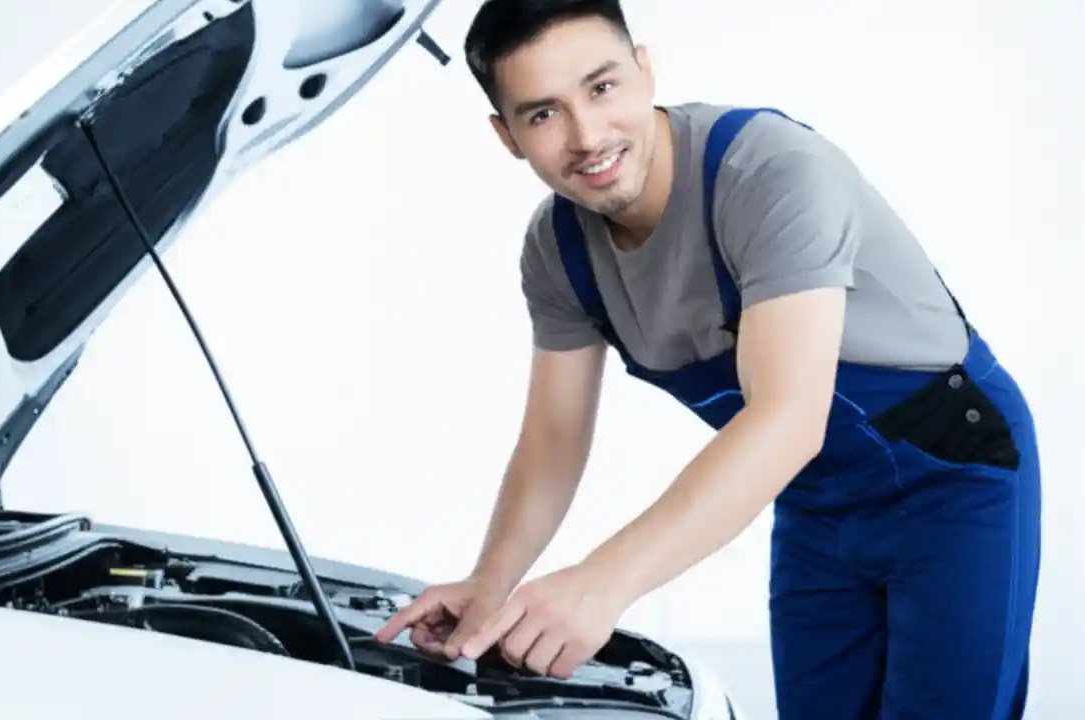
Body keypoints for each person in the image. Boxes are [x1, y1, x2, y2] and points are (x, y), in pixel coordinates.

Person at [374, 1, 1042, 717]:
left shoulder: (769, 171)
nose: (587, 136)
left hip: (954, 478)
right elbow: (552, 442)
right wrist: (490, 583)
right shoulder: (558, 252)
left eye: (602, 88)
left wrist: (602, 583)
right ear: (507, 137)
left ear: (644, 68)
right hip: (817, 504)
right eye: (543, 115)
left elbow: (788, 419)